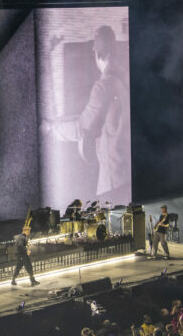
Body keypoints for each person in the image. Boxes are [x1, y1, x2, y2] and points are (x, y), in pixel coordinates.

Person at [42, 25, 131, 203]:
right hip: (127, 175)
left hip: (112, 181)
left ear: (98, 54)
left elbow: (81, 128)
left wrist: (52, 128)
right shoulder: (125, 77)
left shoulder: (103, 86)